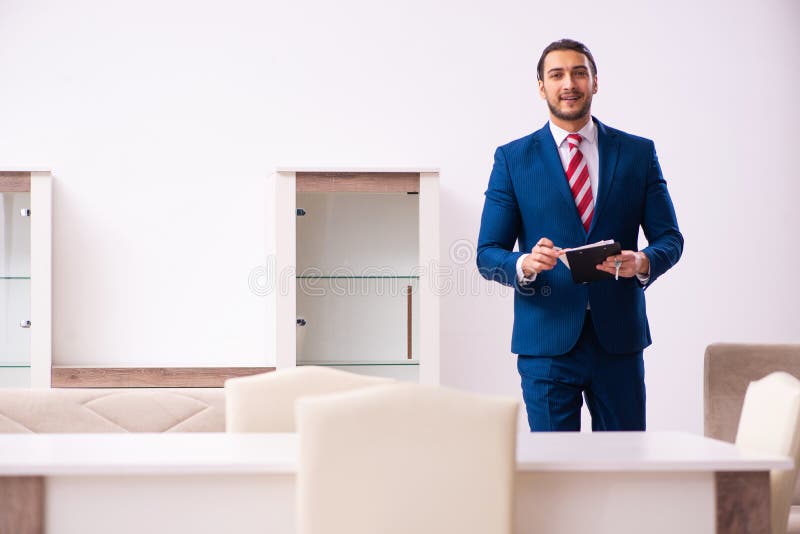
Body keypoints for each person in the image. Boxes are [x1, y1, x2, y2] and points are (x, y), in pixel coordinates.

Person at [476, 39, 683, 431]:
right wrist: (525, 263)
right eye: (556, 75)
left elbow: (670, 238)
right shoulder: (513, 159)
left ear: (595, 82)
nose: (568, 83)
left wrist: (643, 262)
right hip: (546, 345)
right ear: (541, 86)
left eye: (579, 73)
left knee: (623, 466)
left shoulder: (638, 153)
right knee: (555, 473)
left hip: (619, 341)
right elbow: (487, 254)